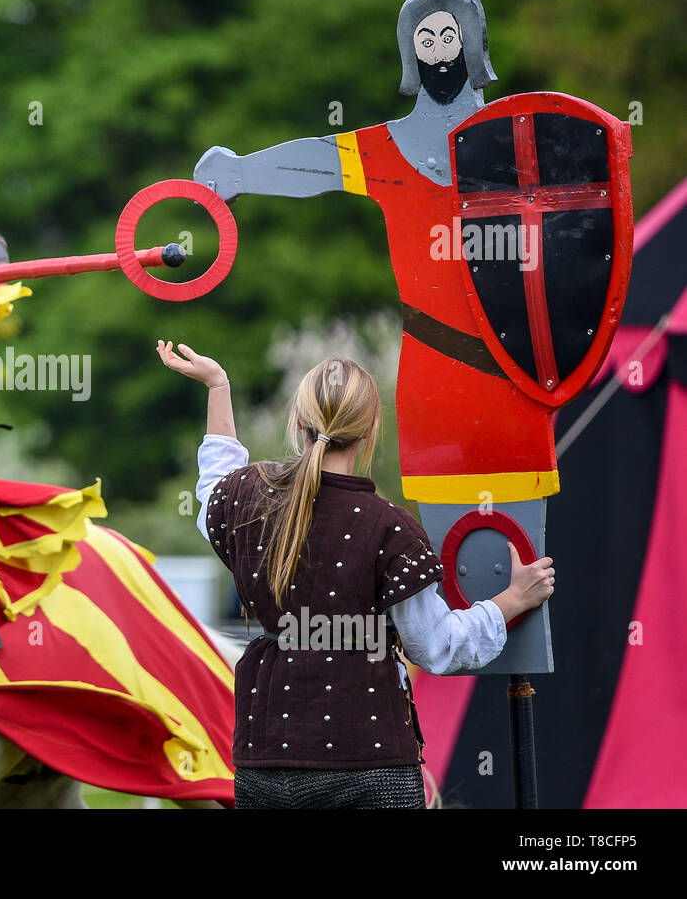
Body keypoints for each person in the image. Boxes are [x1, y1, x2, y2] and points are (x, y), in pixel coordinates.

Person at [156, 340, 556, 808]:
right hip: (370, 764)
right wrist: (511, 601)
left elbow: (213, 490)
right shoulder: (390, 526)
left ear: (299, 424)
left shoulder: (248, 500)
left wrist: (218, 387)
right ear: (369, 432)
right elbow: (436, 646)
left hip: (264, 761)